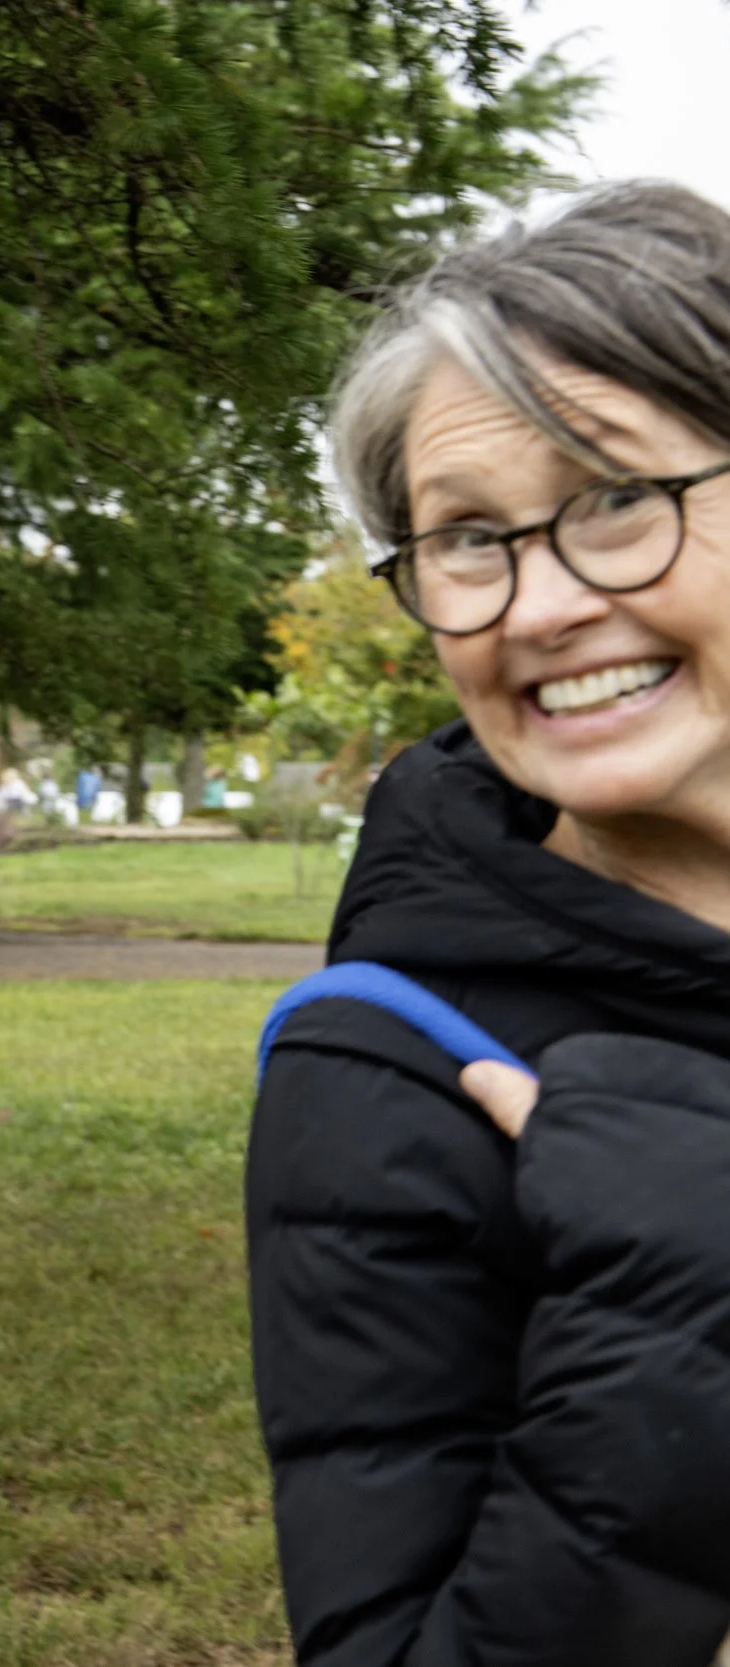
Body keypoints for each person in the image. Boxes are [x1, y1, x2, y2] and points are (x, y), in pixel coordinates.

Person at [251, 180, 730, 1665]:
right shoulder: (392, 1066)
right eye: (468, 540)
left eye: (612, 500)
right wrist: (686, 1301)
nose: (536, 606)